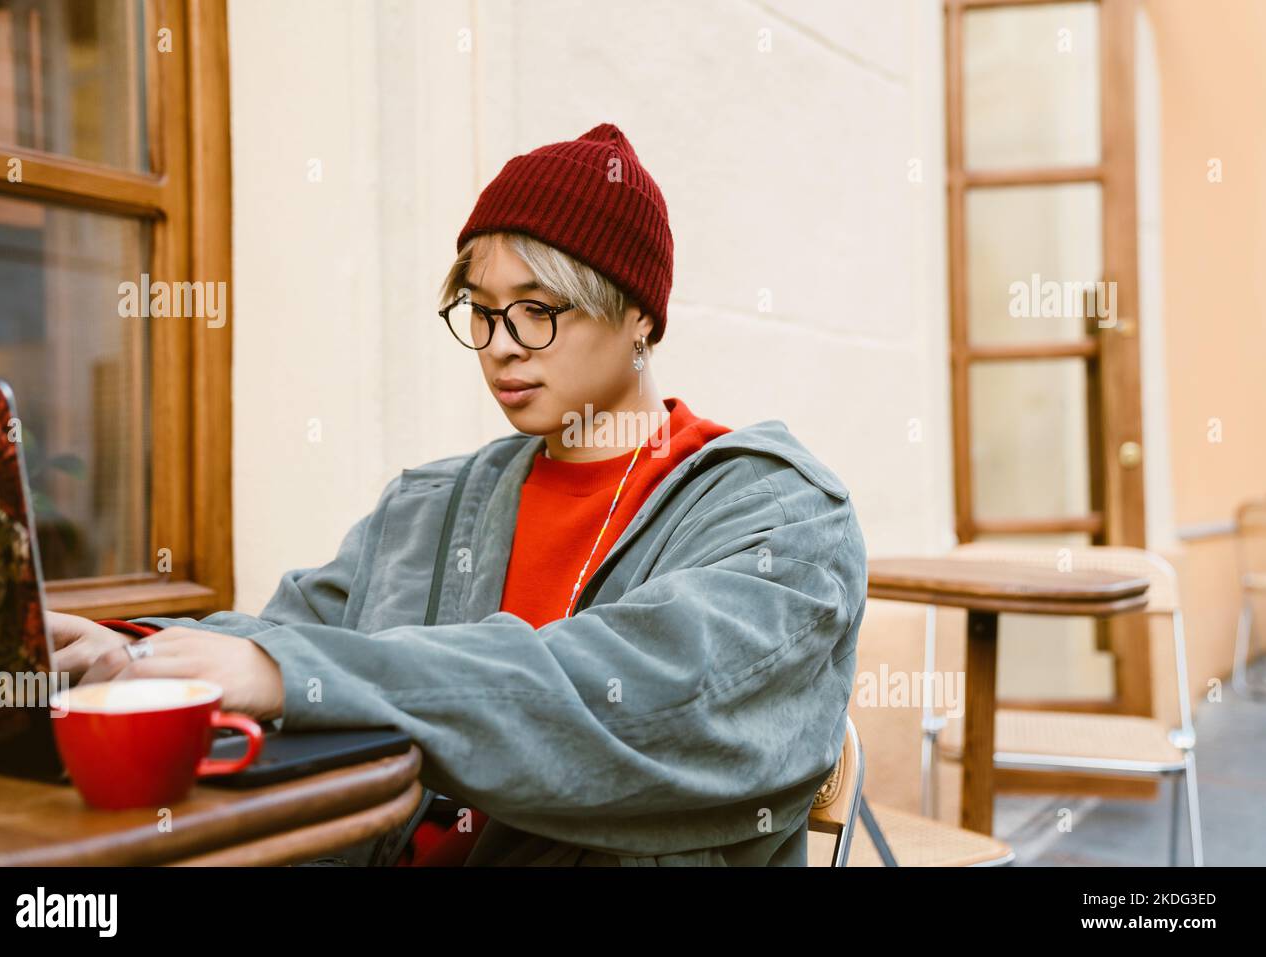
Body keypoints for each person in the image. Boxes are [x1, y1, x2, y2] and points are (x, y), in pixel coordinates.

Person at [47, 123, 868, 866]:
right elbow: (292, 630)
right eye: (480, 312)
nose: (501, 348)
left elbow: (646, 695)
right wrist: (141, 652)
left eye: (537, 311)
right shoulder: (433, 502)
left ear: (641, 318)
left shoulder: (778, 512)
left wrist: (282, 670)